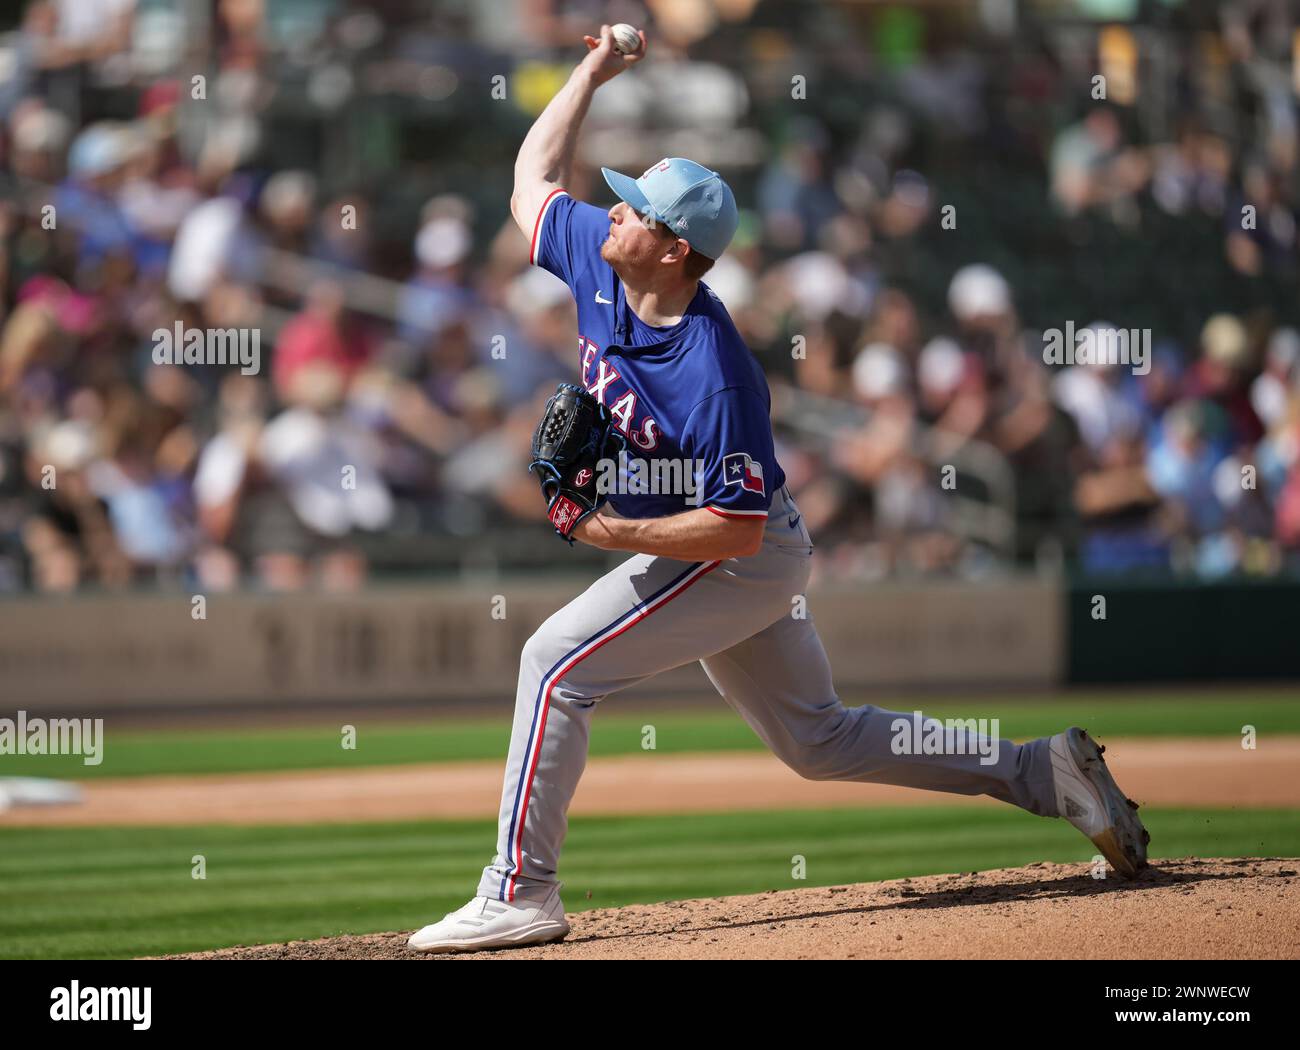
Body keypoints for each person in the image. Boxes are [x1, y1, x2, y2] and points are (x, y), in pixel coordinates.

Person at [406, 26, 1149, 954]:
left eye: (637, 210)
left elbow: (736, 527)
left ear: (676, 252)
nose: (614, 211)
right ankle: (1045, 774)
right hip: (738, 543)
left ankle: (522, 890)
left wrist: (597, 528)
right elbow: (530, 178)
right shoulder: (598, 258)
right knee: (821, 742)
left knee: (554, 663)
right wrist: (591, 71)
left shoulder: (714, 371)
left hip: (741, 554)